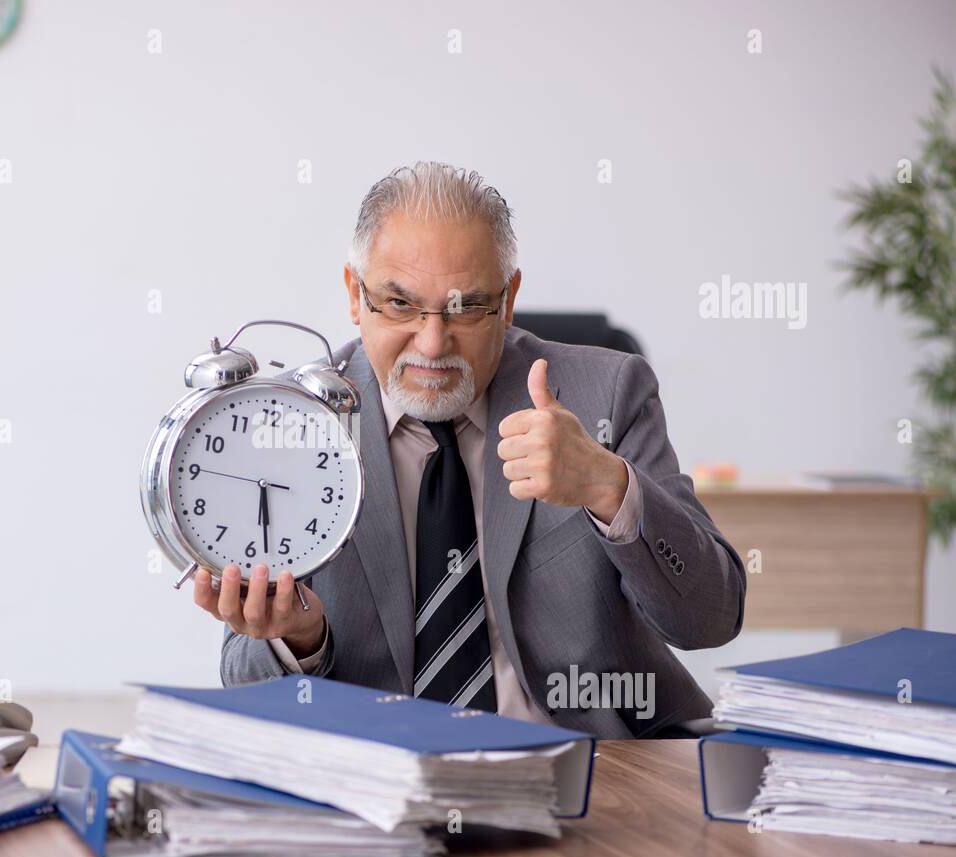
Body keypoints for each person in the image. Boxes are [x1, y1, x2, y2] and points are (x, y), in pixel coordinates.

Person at [193, 161, 746, 738]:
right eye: (401, 304)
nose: (433, 343)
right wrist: (298, 641)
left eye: (465, 307)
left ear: (507, 301)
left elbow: (710, 619)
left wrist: (611, 488)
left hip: (596, 770)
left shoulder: (606, 395)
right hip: (382, 781)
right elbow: (245, 681)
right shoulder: (288, 424)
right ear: (356, 295)